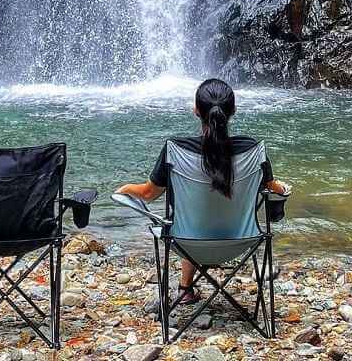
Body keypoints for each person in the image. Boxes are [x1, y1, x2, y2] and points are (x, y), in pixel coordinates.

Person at [115, 77, 289, 304]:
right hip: (241, 241)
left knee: (191, 217)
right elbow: (274, 188)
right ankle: (187, 287)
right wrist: (281, 186)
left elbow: (149, 194)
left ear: (196, 111)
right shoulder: (254, 151)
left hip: (187, 242)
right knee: (209, 211)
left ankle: (185, 288)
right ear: (233, 110)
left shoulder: (175, 150)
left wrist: (126, 188)